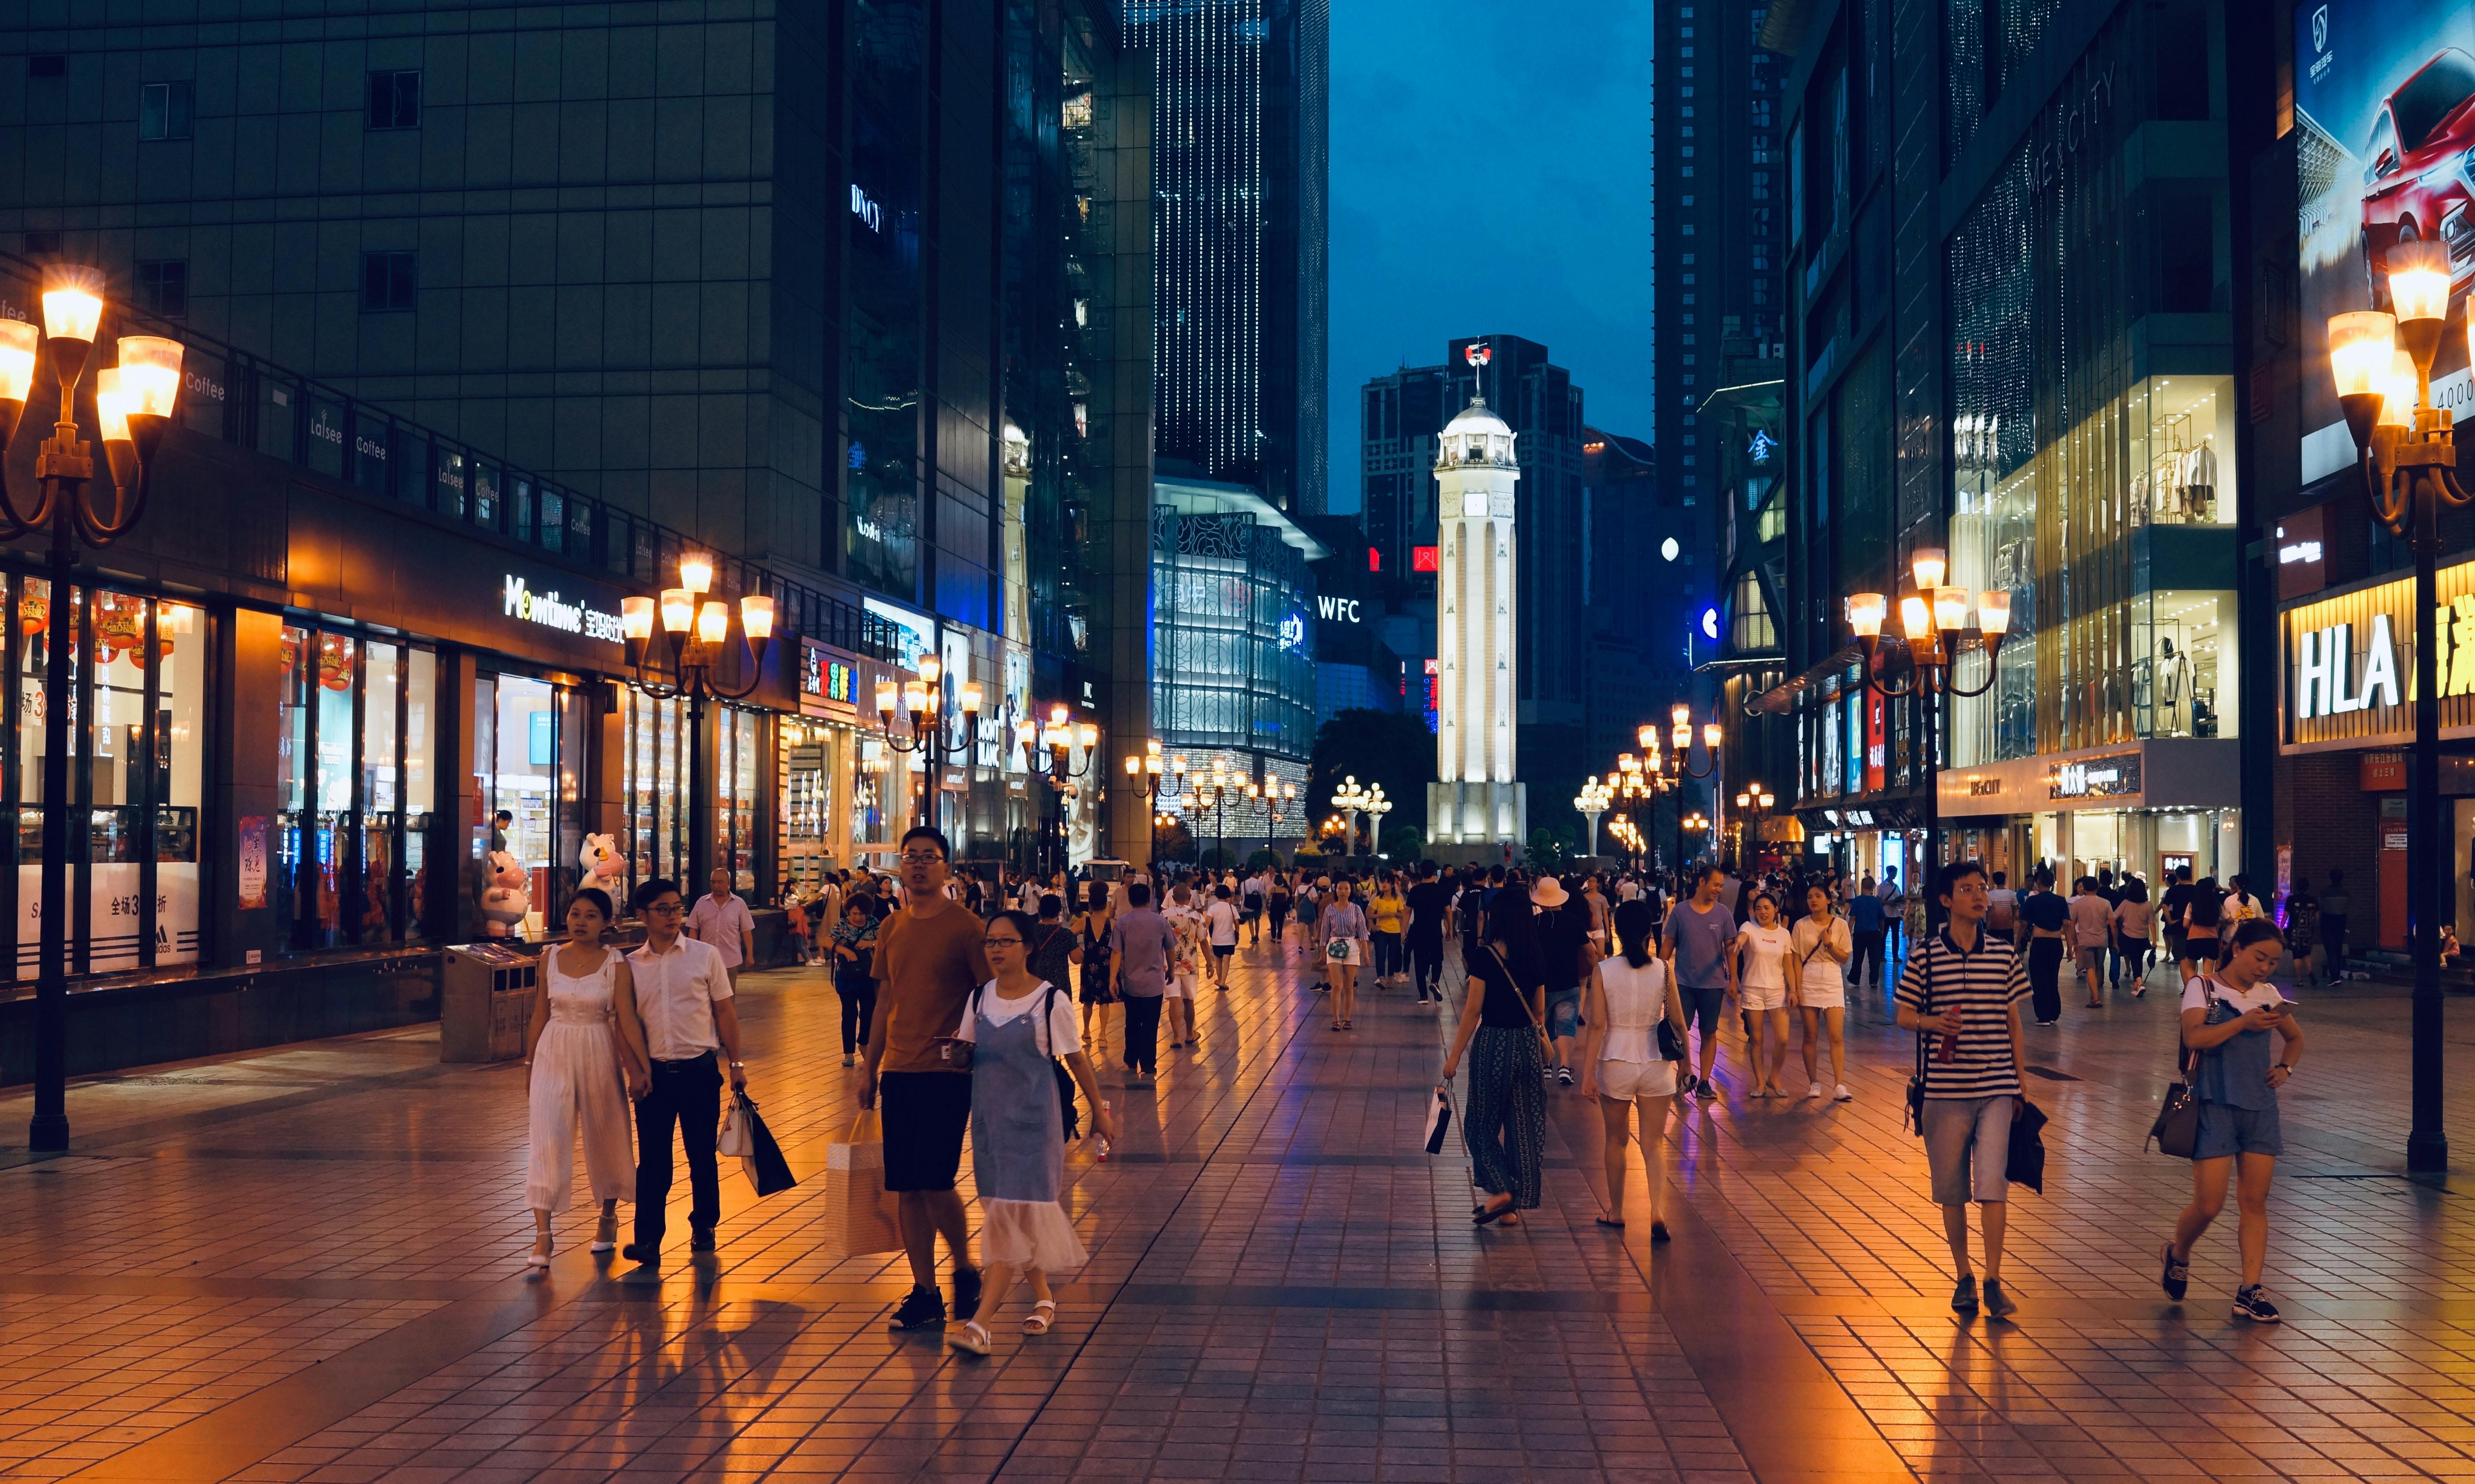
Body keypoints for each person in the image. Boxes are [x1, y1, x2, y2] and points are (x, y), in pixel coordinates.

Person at [943, 910, 1117, 1356]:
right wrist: (953, 1055)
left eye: (1005, 941)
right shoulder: (979, 998)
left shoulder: (1049, 1001)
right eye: (990, 942)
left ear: (1028, 947)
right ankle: (1043, 1297)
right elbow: (964, 1051)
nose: (996, 949)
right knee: (1009, 1216)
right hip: (988, 1126)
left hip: (1035, 1127)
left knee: (1010, 1219)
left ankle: (979, 1325)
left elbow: (1076, 1060)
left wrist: (1098, 1111)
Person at [858, 826, 992, 1333]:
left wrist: (971, 1049)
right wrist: (869, 1069)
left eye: (928, 858)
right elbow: (884, 1003)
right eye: (910, 856)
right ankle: (925, 1291)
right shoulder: (892, 927)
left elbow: (987, 997)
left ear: (947, 869)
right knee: (905, 1188)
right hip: (899, 1070)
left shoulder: (966, 928)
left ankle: (962, 1265)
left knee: (936, 1182)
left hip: (945, 1073)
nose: (917, 865)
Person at [1894, 860, 2033, 1318]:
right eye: (1967, 889)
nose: (1978, 897)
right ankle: (1963, 1276)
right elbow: (1902, 1014)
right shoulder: (1925, 956)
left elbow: (2013, 1020)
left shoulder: (2002, 954)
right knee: (1951, 1189)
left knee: (1992, 1183)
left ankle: (1993, 1277)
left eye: (1981, 889)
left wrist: (2020, 1083)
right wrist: (1931, 1022)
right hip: (1943, 1090)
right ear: (1945, 899)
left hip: (1995, 1085)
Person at [2161, 919, 2305, 1324]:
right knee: (2209, 1203)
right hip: (2213, 1102)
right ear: (2236, 947)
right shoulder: (2202, 987)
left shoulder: (2269, 995)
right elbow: (2194, 1038)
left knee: (2255, 1201)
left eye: (2273, 961)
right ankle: (2178, 1252)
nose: (2265, 968)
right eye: (2260, 957)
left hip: (2260, 1106)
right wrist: (2242, 1022)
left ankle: (2250, 1289)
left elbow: (2296, 1038)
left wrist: (2285, 1069)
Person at [520, 887, 650, 1267]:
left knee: (606, 1130)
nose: (581, 921)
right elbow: (539, 1015)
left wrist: (643, 1068)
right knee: (547, 1136)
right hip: (553, 1049)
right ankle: (543, 1236)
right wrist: (529, 1066)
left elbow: (626, 1017)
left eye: (591, 915)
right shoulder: (551, 957)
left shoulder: (616, 962)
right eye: (576, 913)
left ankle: (608, 1217)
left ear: (606, 923)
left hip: (598, 1046)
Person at [623, 877, 747, 1269]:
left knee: (700, 1156)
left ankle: (705, 1223)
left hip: (699, 1071)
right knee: (654, 1161)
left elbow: (725, 1011)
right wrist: (635, 1071)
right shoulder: (629, 965)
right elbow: (625, 1025)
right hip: (654, 1076)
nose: (673, 916)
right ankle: (647, 1240)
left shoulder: (705, 955)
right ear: (642, 915)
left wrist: (738, 1064)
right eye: (663, 909)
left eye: (677, 908)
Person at [1581, 898, 1688, 1240]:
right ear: (1648, 931)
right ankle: (1657, 1212)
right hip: (1656, 1060)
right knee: (1654, 1144)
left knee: (1616, 1140)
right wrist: (1686, 1062)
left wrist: (1587, 1072)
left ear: (1616, 929)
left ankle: (1617, 1212)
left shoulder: (1604, 970)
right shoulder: (1663, 969)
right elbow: (1678, 1020)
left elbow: (1597, 1024)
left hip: (1616, 1059)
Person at [1441, 903, 1548, 1228]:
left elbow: (1473, 1011)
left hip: (1494, 1044)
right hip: (1528, 1045)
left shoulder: (1485, 957)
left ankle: (1502, 1190)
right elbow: (1540, 1012)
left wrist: (1455, 1055)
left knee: (1479, 1122)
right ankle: (1512, 1205)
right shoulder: (1534, 956)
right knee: (1523, 1126)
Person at [1662, 864, 1736, 1099]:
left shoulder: (1723, 913)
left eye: (1721, 886)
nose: (1719, 889)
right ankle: (1684, 1074)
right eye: (1716, 884)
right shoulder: (1681, 912)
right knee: (1681, 1031)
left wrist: (1733, 979)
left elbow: (1730, 949)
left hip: (1713, 985)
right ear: (1702, 882)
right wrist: (1658, 973)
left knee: (1709, 1032)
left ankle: (1704, 1081)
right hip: (1683, 983)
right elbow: (1668, 945)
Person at [1107, 881, 1178, 1084]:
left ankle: (1131, 1058)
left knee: (1132, 1022)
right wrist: (1171, 971)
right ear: (1150, 900)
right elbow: (1171, 949)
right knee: (1150, 1024)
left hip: (1130, 984)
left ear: (1130, 900)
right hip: (1154, 985)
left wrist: (1113, 979)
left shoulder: (1122, 923)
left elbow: (1117, 952)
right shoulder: (1161, 922)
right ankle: (1148, 1063)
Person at [1531, 875, 1596, 1085]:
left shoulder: (1534, 924)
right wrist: (1595, 970)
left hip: (1541, 984)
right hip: (1569, 982)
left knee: (1544, 1024)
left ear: (1539, 901)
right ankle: (1566, 1067)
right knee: (1567, 1025)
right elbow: (1589, 952)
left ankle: (1546, 1065)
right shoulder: (1573, 922)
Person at [1733, 893, 1796, 1099]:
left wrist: (1793, 990)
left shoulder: (1784, 934)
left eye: (1767, 908)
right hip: (1753, 989)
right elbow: (1742, 937)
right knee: (1757, 1039)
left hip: (1777, 990)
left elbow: (1788, 964)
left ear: (1776, 909)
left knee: (1783, 1039)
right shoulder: (1749, 928)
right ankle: (1760, 1082)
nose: (1763, 912)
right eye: (1759, 908)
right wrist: (1739, 943)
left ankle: (1774, 1076)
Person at [1792, 883, 1852, 1100]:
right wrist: (1797, 989)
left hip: (1832, 979)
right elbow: (1797, 959)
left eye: (1818, 896)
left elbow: (1845, 957)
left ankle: (1839, 1085)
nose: (1813, 900)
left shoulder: (1841, 925)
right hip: (1809, 978)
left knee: (1836, 1035)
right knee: (1810, 1036)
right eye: (1810, 897)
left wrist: (1829, 945)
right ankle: (1814, 1082)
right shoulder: (1801, 925)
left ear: (1829, 900)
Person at [830, 897, 881, 1066]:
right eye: (854, 914)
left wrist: (870, 944)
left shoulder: (874, 923)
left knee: (868, 1012)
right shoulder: (842, 924)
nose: (858, 917)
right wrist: (844, 950)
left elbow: (885, 942)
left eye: (861, 914)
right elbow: (826, 941)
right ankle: (848, 1053)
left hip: (868, 975)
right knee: (849, 1013)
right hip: (847, 976)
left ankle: (864, 1043)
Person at [687, 866, 758, 987]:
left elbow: (746, 931)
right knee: (705, 997)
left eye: (720, 882)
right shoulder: (702, 903)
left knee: (728, 998)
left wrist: (750, 955)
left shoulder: (739, 904)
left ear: (729, 883)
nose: (716, 886)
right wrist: (691, 953)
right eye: (713, 882)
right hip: (706, 960)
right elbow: (694, 929)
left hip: (730, 960)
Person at [1319, 878, 1370, 1031]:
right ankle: (1336, 1019)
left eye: (1346, 889)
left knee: (1349, 986)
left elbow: (1362, 931)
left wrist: (1366, 954)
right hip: (1334, 945)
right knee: (1337, 985)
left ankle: (1347, 1018)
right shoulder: (1330, 909)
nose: (1343, 892)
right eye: (1340, 888)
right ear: (1336, 890)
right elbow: (1324, 932)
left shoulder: (1356, 909)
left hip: (1352, 945)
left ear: (1351, 891)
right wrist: (1322, 953)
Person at [2019, 871, 2068, 1025]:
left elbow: (2023, 924)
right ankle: (2054, 1012)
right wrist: (2072, 947)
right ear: (2053, 883)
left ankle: (2043, 1016)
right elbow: (2067, 924)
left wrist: (2017, 943)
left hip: (2039, 942)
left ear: (2038, 882)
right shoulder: (2061, 901)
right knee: (2052, 978)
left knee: (2039, 979)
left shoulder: (2033, 901)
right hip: (2056, 944)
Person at [1075, 880, 1116, 1052]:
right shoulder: (1112, 924)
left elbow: (1068, 936)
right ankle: (1103, 1036)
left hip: (1088, 964)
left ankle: (1086, 1031)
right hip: (1106, 966)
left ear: (1090, 903)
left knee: (1088, 1001)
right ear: (1106, 904)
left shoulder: (1085, 922)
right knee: (1104, 1002)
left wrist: (1079, 951)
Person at [1406, 861, 1451, 1004]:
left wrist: (1403, 932)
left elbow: (1407, 912)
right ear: (1435, 873)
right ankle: (1435, 982)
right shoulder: (1441, 890)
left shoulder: (1415, 891)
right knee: (1438, 959)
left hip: (1418, 931)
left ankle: (1423, 996)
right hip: (1435, 931)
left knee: (1420, 962)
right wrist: (1450, 929)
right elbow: (1448, 911)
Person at [2069, 876, 2113, 1009]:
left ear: (2083, 888)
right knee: (2099, 968)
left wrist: (2074, 942)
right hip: (2102, 940)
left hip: (2085, 940)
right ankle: (2095, 995)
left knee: (2090, 969)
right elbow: (2113, 924)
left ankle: (2096, 998)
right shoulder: (2105, 903)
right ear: (2097, 887)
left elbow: (2072, 924)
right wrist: (2115, 942)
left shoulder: (2078, 904)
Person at [2112, 877, 2155, 995]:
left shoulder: (2126, 903)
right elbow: (2152, 922)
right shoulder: (2148, 905)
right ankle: (2137, 983)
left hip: (2128, 936)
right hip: (2143, 937)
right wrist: (2155, 940)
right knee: (2138, 959)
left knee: (2134, 959)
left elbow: (2114, 916)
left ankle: (2139, 983)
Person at [2180, 876, 2225, 984]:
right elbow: (2228, 919)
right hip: (2212, 939)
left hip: (2194, 938)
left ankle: (2193, 988)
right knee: (2208, 970)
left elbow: (2185, 924)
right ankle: (2207, 990)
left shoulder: (2192, 905)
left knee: (2191, 968)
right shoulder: (2217, 905)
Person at [1847, 876, 1887, 991]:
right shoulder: (1877, 902)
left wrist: (1848, 932)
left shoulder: (1857, 900)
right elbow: (1881, 919)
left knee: (1858, 958)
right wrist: (1882, 931)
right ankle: (1874, 981)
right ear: (1873, 887)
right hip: (1874, 933)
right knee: (1874, 959)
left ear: (1862, 886)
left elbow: (1853, 918)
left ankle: (1855, 978)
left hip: (1860, 933)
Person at [1368, 876, 1407, 986]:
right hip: (1382, 930)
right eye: (1382, 882)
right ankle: (1381, 977)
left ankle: (1390, 977)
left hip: (1395, 931)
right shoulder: (1377, 899)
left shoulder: (1398, 899)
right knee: (1380, 954)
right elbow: (1369, 914)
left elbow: (1403, 914)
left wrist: (1395, 914)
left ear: (1392, 885)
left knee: (1392, 955)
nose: (1384, 885)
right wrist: (1379, 917)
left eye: (1387, 883)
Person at [2285, 878, 2322, 988]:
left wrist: (2280, 927)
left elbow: (2286, 915)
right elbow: (2317, 917)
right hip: (2308, 932)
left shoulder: (2292, 899)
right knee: (2306, 953)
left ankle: (2300, 981)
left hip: (2295, 931)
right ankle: (2310, 972)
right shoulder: (2313, 900)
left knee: (2296, 955)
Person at [1203, 882, 1241, 988]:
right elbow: (1237, 923)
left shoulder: (1213, 908)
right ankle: (1223, 981)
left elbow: (1208, 922)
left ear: (1216, 895)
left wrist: (1205, 931)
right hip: (1229, 939)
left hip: (1216, 939)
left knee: (1218, 961)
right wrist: (1237, 932)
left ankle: (1220, 980)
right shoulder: (1232, 908)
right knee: (1226, 961)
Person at [2160, 866, 2195, 976]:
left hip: (2178, 926)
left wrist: (2170, 921)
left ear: (2178, 876)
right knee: (2193, 957)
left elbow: (2165, 906)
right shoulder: (2196, 889)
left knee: (2182, 959)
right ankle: (2194, 982)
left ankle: (2187, 986)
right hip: (2193, 926)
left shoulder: (2173, 890)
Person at [2320, 869, 2351, 977]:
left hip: (2328, 922)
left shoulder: (2325, 892)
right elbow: (2348, 908)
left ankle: (2334, 974)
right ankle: (2337, 972)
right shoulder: (2346, 892)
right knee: (2338, 947)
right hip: (2341, 921)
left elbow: (2322, 908)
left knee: (2330, 949)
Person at [1985, 871, 2018, 940]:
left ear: (1995, 881)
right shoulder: (2011, 893)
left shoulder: (1991, 894)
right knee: (2008, 948)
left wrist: (1988, 924)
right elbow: (2014, 909)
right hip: (2008, 926)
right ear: (2004, 880)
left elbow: (1989, 911)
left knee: (1994, 949)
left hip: (1994, 927)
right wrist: (2013, 921)